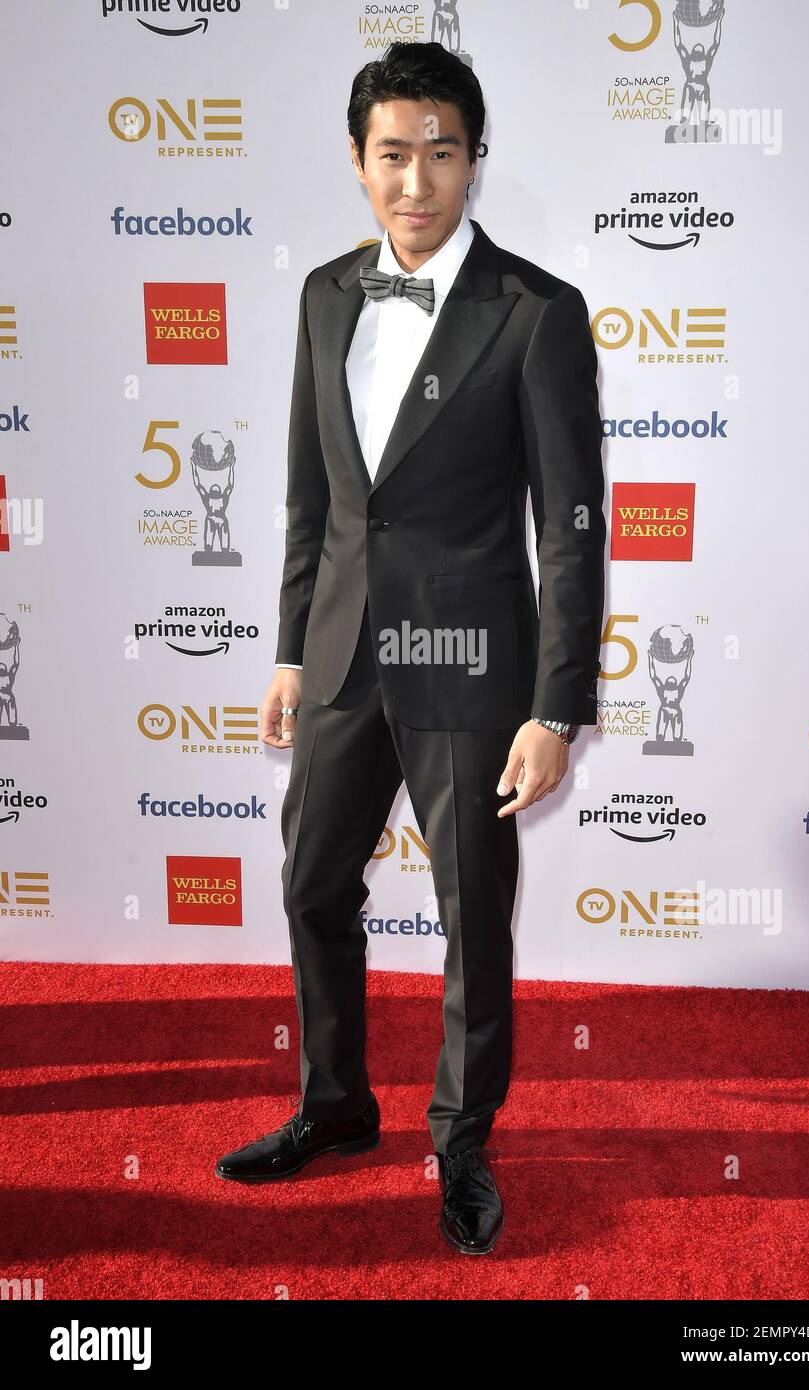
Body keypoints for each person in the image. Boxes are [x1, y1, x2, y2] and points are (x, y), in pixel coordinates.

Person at [215, 40, 605, 1256]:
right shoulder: (325, 293)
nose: (417, 180)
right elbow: (308, 497)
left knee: (467, 908)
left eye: (441, 152)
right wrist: (288, 647)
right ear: (356, 161)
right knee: (310, 886)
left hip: (472, 669)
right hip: (335, 660)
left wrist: (553, 707)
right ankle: (333, 1105)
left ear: (474, 161)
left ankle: (462, 1137)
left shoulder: (535, 313)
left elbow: (571, 526)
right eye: (394, 154)